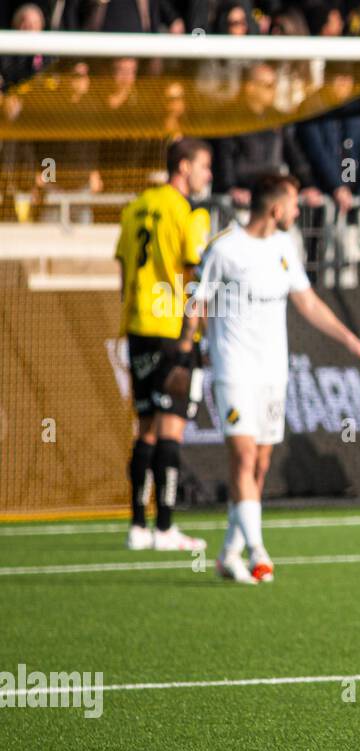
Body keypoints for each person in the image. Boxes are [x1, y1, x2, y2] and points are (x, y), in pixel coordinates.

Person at [197, 174, 360, 583]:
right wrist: (199, 349)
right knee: (243, 457)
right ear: (276, 208)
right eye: (294, 204)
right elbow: (198, 303)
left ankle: (229, 553)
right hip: (234, 368)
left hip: (272, 371)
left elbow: (308, 303)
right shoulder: (224, 248)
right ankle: (259, 551)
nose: (298, 212)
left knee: (261, 463)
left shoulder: (284, 246)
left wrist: (353, 342)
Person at [115, 138, 212, 553]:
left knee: (146, 427)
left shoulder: (135, 208)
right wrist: (191, 334)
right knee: (172, 426)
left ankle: (138, 526)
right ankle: (166, 527)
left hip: (139, 325)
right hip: (172, 328)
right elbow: (194, 275)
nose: (209, 175)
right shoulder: (187, 213)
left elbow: (123, 269)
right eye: (205, 166)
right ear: (184, 167)